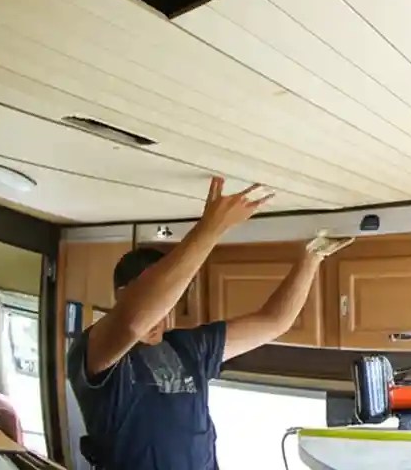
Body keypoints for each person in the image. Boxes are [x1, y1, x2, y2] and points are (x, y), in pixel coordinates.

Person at [67, 177, 351, 469]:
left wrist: (311, 257)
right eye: (161, 299)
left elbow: (274, 322)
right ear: (122, 296)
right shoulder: (92, 351)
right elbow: (133, 324)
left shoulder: (189, 346)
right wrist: (212, 226)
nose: (164, 313)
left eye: (171, 302)